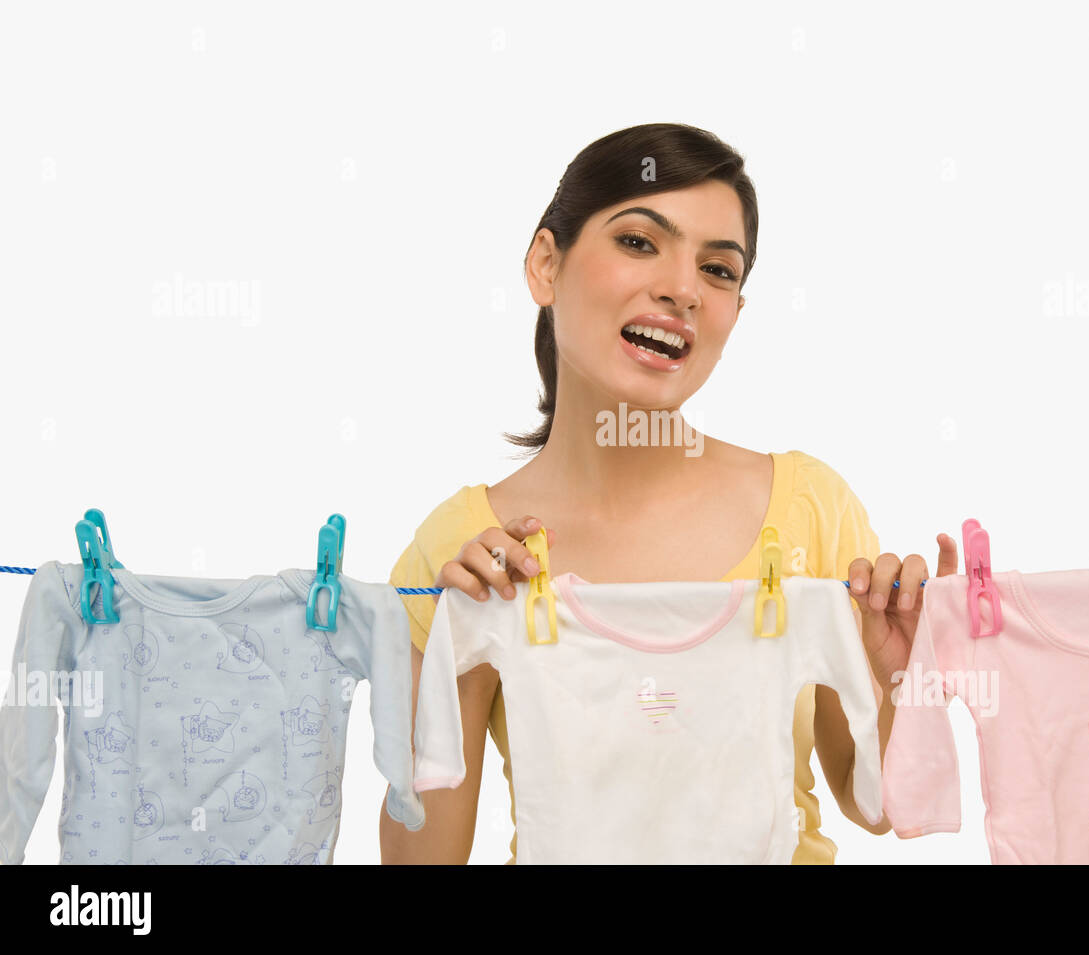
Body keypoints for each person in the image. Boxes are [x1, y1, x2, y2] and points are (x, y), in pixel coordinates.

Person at [379, 122, 957, 864]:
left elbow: (880, 808)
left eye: (719, 270)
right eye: (639, 242)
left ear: (735, 314)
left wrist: (901, 673)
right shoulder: (455, 547)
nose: (683, 289)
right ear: (545, 264)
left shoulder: (810, 507)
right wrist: (459, 650)